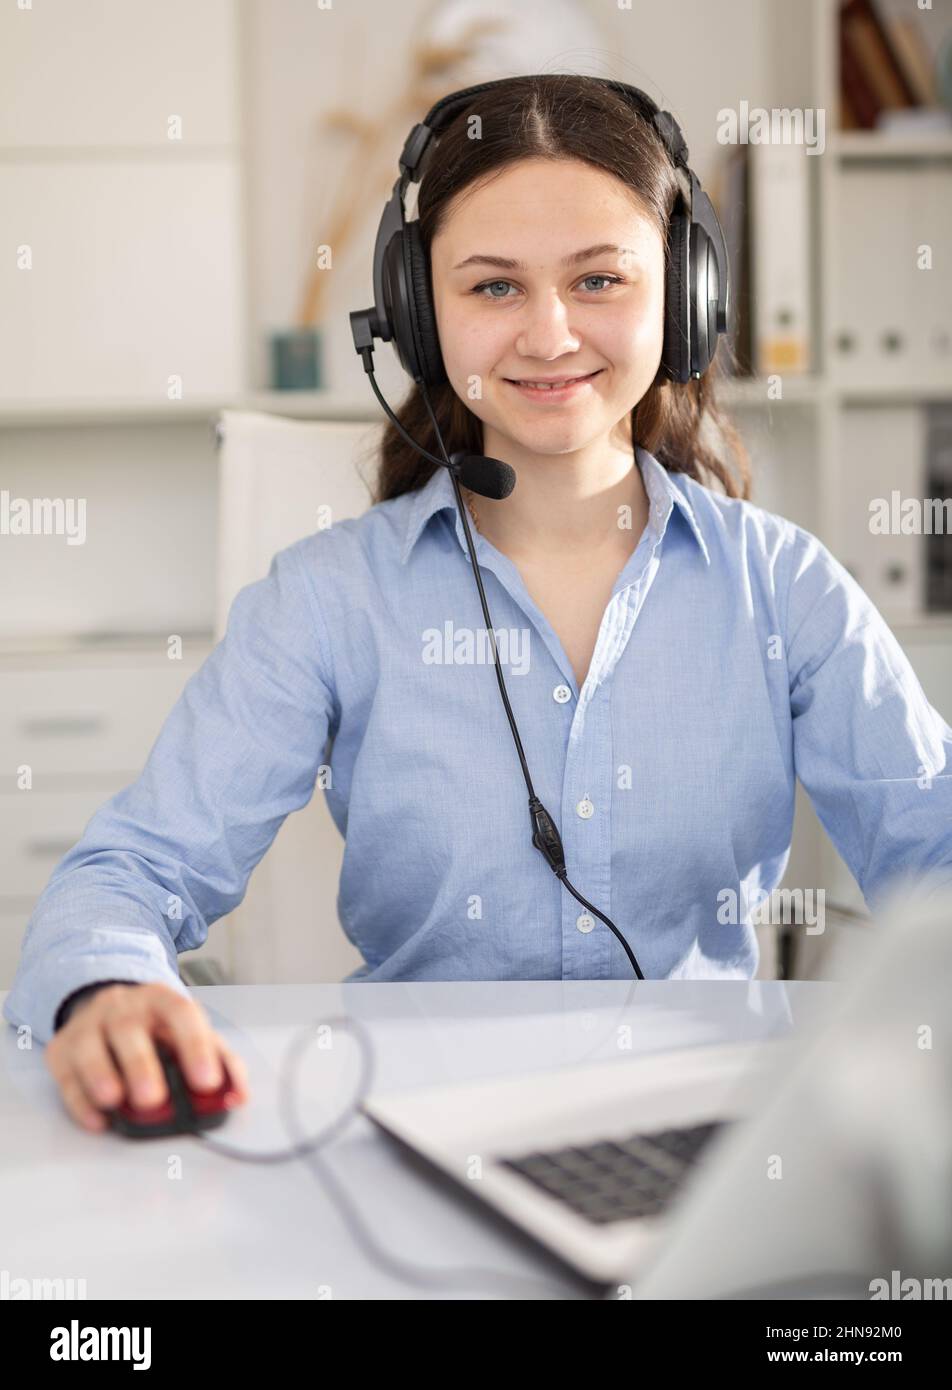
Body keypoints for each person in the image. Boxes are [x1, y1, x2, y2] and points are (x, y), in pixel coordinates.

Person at [4, 75, 951, 1134]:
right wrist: (111, 988)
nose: (548, 336)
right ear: (416, 311)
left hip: (714, 1148)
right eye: (492, 287)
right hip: (409, 1137)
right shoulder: (329, 601)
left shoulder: (783, 588)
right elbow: (130, 870)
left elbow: (935, 846)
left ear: (682, 296)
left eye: (599, 279)